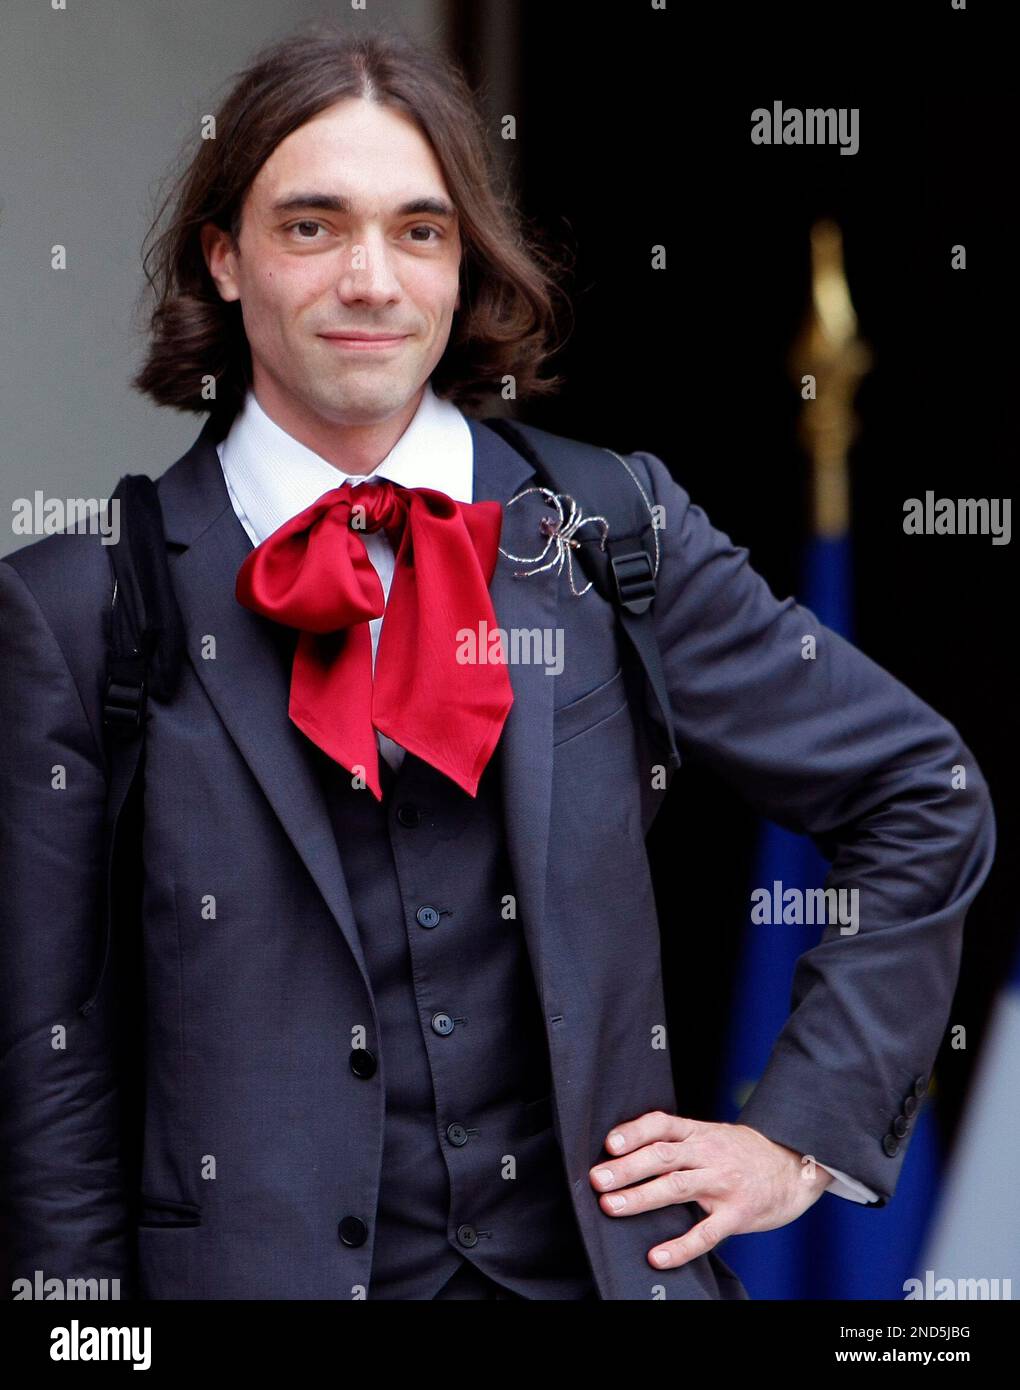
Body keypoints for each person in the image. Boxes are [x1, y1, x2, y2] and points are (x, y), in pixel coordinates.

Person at [0, 25, 995, 1302]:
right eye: (313, 227)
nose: (372, 278)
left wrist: (802, 1130)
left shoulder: (613, 532)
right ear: (224, 258)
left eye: (419, 230)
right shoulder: (80, 604)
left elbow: (925, 790)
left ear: (462, 263)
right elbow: (47, 1061)